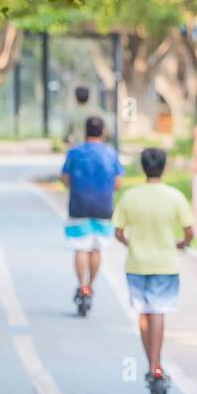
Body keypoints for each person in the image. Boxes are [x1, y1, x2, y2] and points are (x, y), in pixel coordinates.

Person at [112, 148, 194, 385]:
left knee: (144, 313)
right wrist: (182, 243)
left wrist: (130, 243)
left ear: (143, 167)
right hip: (165, 264)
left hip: (136, 264)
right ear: (165, 167)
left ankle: (151, 365)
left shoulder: (130, 196)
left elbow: (118, 232)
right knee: (158, 311)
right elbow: (189, 230)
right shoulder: (174, 196)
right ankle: (157, 366)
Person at [60, 116, 123, 307]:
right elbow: (118, 183)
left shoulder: (75, 152)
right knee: (96, 248)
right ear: (103, 132)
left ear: (85, 130)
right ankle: (90, 287)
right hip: (104, 208)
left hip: (78, 206)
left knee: (81, 247)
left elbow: (64, 178)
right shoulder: (111, 153)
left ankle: (82, 286)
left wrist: (76, 187)